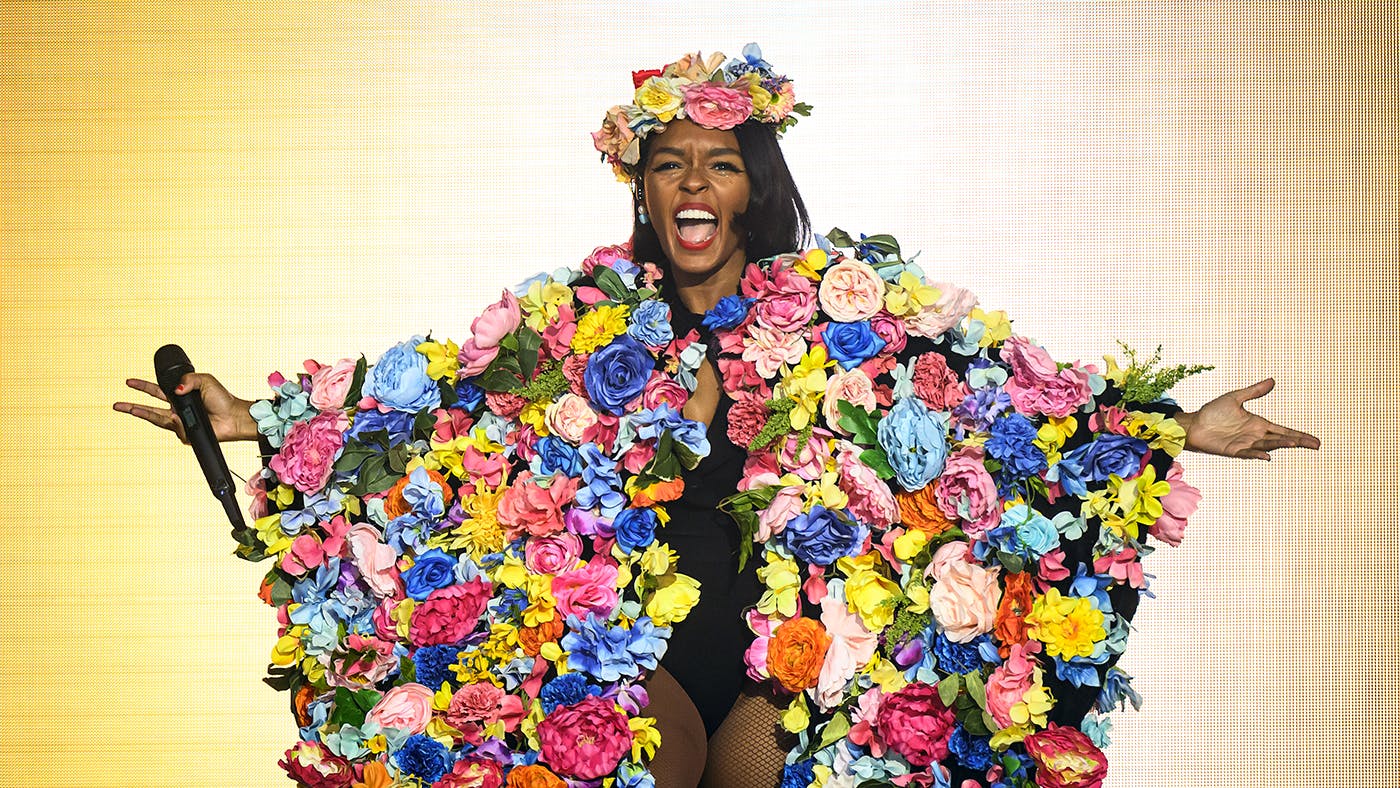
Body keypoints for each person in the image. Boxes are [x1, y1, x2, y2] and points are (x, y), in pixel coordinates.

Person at [116, 45, 1320, 788]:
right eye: (670, 162)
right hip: (630, 644)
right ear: (642, 188)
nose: (693, 181)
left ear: (755, 187)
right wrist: (252, 416)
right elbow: (428, 400)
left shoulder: (847, 310)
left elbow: (997, 387)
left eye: (720, 161)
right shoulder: (574, 323)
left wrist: (1164, 423)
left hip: (793, 651)